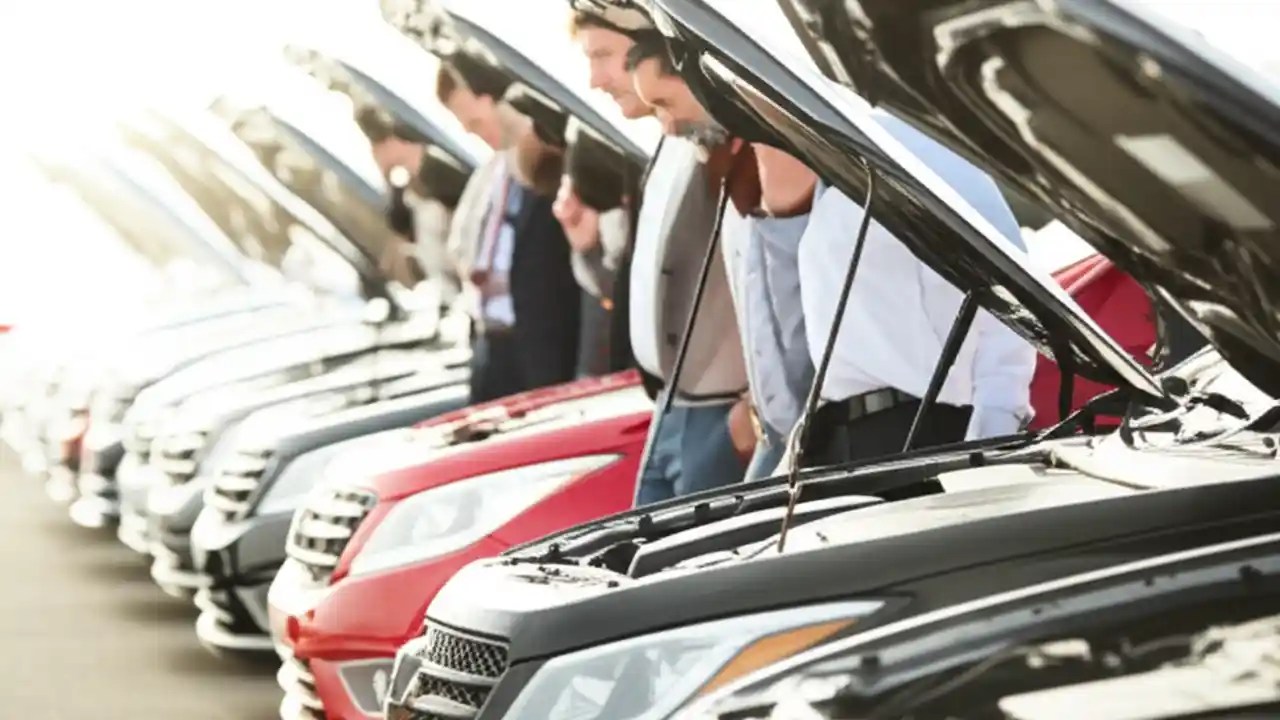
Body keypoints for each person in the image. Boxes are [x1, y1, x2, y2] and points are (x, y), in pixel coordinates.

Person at [625, 29, 1036, 470]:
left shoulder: (928, 155)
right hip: (839, 437)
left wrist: (990, 442)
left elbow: (1006, 305)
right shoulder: (832, 171)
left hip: (919, 433)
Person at [557, 5, 748, 504]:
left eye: (603, 56)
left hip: (719, 413)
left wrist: (750, 413)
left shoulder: (724, 141)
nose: (595, 79)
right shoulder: (660, 144)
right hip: (668, 407)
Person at [438, 56, 581, 402]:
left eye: (473, 120)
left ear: (492, 101)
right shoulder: (489, 175)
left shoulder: (548, 167)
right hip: (492, 345)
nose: (471, 131)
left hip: (539, 351)